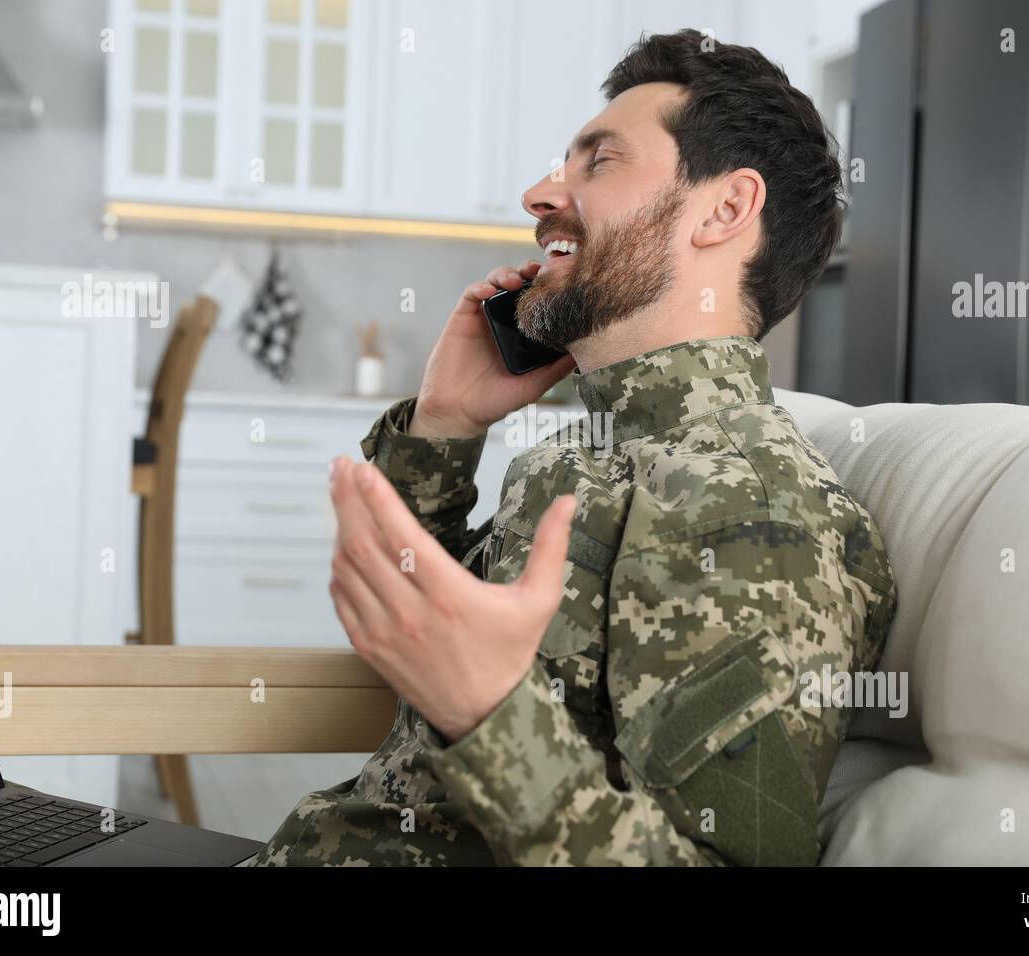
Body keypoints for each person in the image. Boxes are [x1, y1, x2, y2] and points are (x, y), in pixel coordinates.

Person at [253, 28, 896, 867]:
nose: (538, 194)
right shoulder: (576, 455)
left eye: (598, 162)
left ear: (727, 209)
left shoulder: (750, 514)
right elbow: (409, 625)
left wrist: (490, 715)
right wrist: (445, 426)